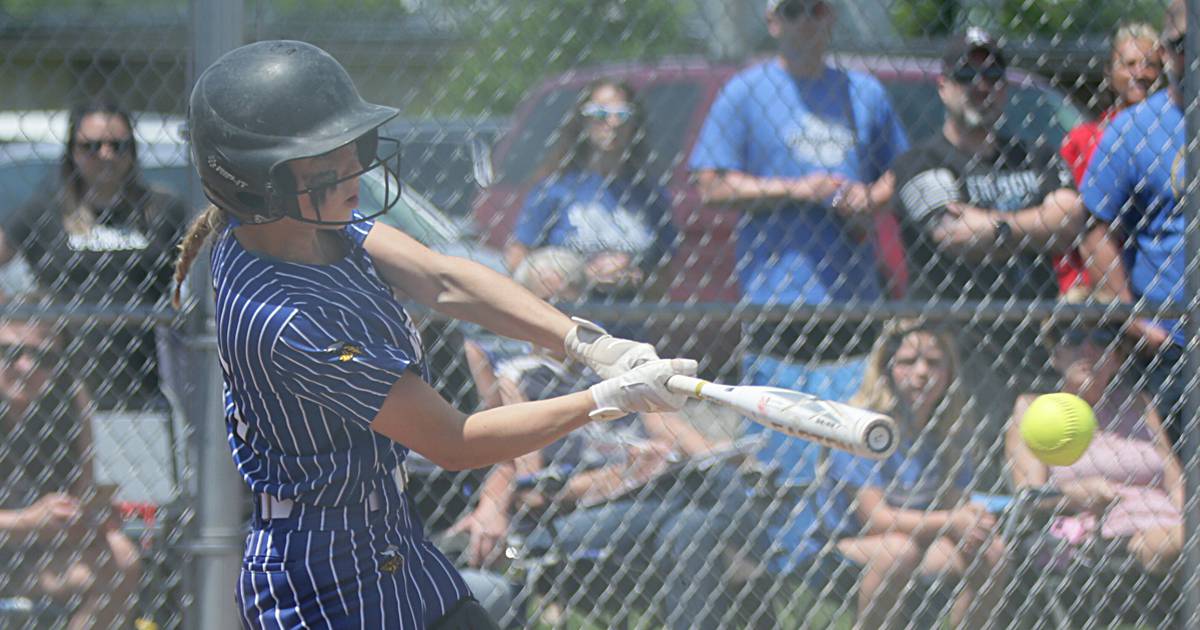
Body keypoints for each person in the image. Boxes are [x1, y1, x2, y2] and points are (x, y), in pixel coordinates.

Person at [174, 40, 696, 628]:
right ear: (257, 182)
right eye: (326, 159)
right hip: (318, 582)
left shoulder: (318, 227)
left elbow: (444, 278)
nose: (354, 168)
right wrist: (604, 400)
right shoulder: (284, 316)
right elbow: (455, 441)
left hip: (393, 546)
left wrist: (589, 345)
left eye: (353, 147)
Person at [688, 0, 910, 494]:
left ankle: (843, 544)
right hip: (776, 301)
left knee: (853, 446)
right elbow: (712, 185)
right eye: (791, 12)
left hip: (852, 301)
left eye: (815, 10)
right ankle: (783, 555)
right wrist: (794, 189)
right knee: (778, 449)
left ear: (830, 18)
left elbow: (902, 170)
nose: (805, 22)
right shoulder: (745, 92)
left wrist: (868, 197)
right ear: (771, 23)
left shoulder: (863, 92)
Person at [888, 28, 1084, 488]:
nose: (982, 84)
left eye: (994, 74)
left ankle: (1036, 545)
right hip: (958, 349)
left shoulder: (1035, 154)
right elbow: (952, 233)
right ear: (943, 85)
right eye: (967, 73)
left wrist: (994, 227)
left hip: (1034, 339)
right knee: (967, 476)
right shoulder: (919, 163)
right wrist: (1033, 224)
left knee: (1036, 463)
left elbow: (1070, 219)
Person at [810, 320, 1005, 629]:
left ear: (949, 372)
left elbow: (956, 504)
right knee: (898, 551)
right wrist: (952, 521)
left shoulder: (949, 429)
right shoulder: (863, 429)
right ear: (886, 368)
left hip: (921, 539)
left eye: (933, 363)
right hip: (848, 545)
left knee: (992, 550)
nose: (921, 372)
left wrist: (973, 521)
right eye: (907, 361)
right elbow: (875, 521)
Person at [0, 100, 189, 410]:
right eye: (91, 146)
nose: (106, 155)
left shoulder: (163, 210)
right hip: (63, 390)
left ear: (133, 150)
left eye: (118, 146)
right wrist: (14, 319)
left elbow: (208, 265)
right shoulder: (45, 212)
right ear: (72, 152)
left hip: (149, 385)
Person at [1080, 0, 1187, 446]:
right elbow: (1094, 230)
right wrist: (1133, 318)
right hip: (1174, 341)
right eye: (1183, 43)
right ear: (1165, 51)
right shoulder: (1134, 129)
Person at [1006, 305, 1181, 578]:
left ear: (1117, 357)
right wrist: (1076, 492)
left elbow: (1175, 481)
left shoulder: (1138, 403)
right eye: (1074, 339)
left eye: (1101, 340)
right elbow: (1028, 497)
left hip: (1170, 520)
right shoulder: (1035, 408)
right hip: (1105, 532)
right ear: (1056, 355)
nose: (1087, 350)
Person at [0, 321, 141, 629]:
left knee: (121, 557)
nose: (25, 367)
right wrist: (29, 521)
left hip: (36, 559)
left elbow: (84, 490)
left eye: (44, 359)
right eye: (10, 352)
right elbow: (31, 522)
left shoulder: (66, 402)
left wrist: (84, 516)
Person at [506, 79, 675, 303]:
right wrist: (581, 276)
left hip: (628, 326)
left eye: (623, 114)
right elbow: (517, 258)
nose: (613, 123)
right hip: (568, 324)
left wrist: (638, 278)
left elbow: (667, 273)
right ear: (582, 121)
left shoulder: (649, 194)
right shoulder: (556, 188)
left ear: (635, 123)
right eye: (600, 114)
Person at [1056, 22, 1162, 297]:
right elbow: (1077, 222)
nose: (1140, 73)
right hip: (1096, 283)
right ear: (1109, 71)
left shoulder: (1173, 138)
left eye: (1149, 64)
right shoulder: (1083, 140)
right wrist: (1076, 284)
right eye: (1129, 63)